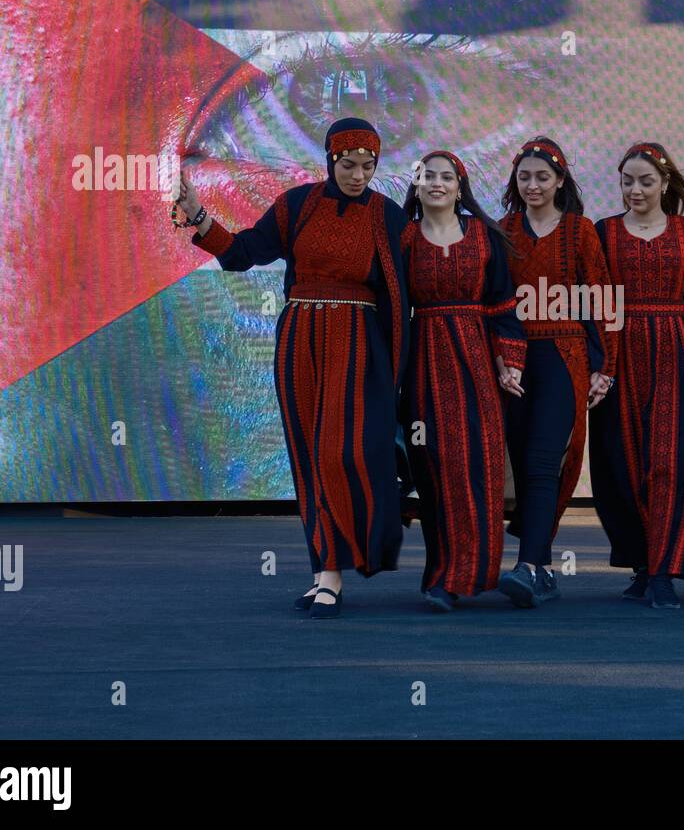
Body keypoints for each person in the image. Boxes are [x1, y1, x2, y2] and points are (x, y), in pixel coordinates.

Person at [174, 117, 408, 618]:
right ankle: (326, 573)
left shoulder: (387, 216)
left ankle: (343, 563)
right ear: (329, 159)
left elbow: (403, 289)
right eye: (348, 164)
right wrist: (199, 218)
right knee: (307, 455)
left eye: (368, 166)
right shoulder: (298, 205)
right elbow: (242, 254)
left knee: (336, 454)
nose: (358, 174)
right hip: (300, 338)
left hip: (358, 345)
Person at [589, 142, 684, 610]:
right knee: (623, 464)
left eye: (645, 181)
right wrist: (598, 366)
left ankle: (666, 571)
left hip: (675, 353)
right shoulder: (602, 232)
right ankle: (643, 563)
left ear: (665, 184)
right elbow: (593, 303)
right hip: (619, 355)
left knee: (672, 461)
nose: (635, 190)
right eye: (627, 181)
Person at [399, 151, 527, 612]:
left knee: (478, 467)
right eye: (427, 176)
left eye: (445, 177)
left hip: (476, 363)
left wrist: (510, 362)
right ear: (416, 185)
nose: (436, 183)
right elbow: (394, 306)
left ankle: (471, 571)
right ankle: (440, 577)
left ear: (460, 185)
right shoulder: (404, 238)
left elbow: (501, 305)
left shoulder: (484, 236)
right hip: (424, 365)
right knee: (435, 470)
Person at [497, 137, 617, 608]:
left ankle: (527, 567)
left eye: (542, 177)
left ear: (560, 180)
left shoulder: (579, 231)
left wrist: (604, 367)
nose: (532, 185)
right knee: (525, 463)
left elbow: (602, 302)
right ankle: (541, 569)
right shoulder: (502, 230)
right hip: (517, 358)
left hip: (565, 355)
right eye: (524, 177)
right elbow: (496, 301)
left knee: (548, 458)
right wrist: (503, 357)